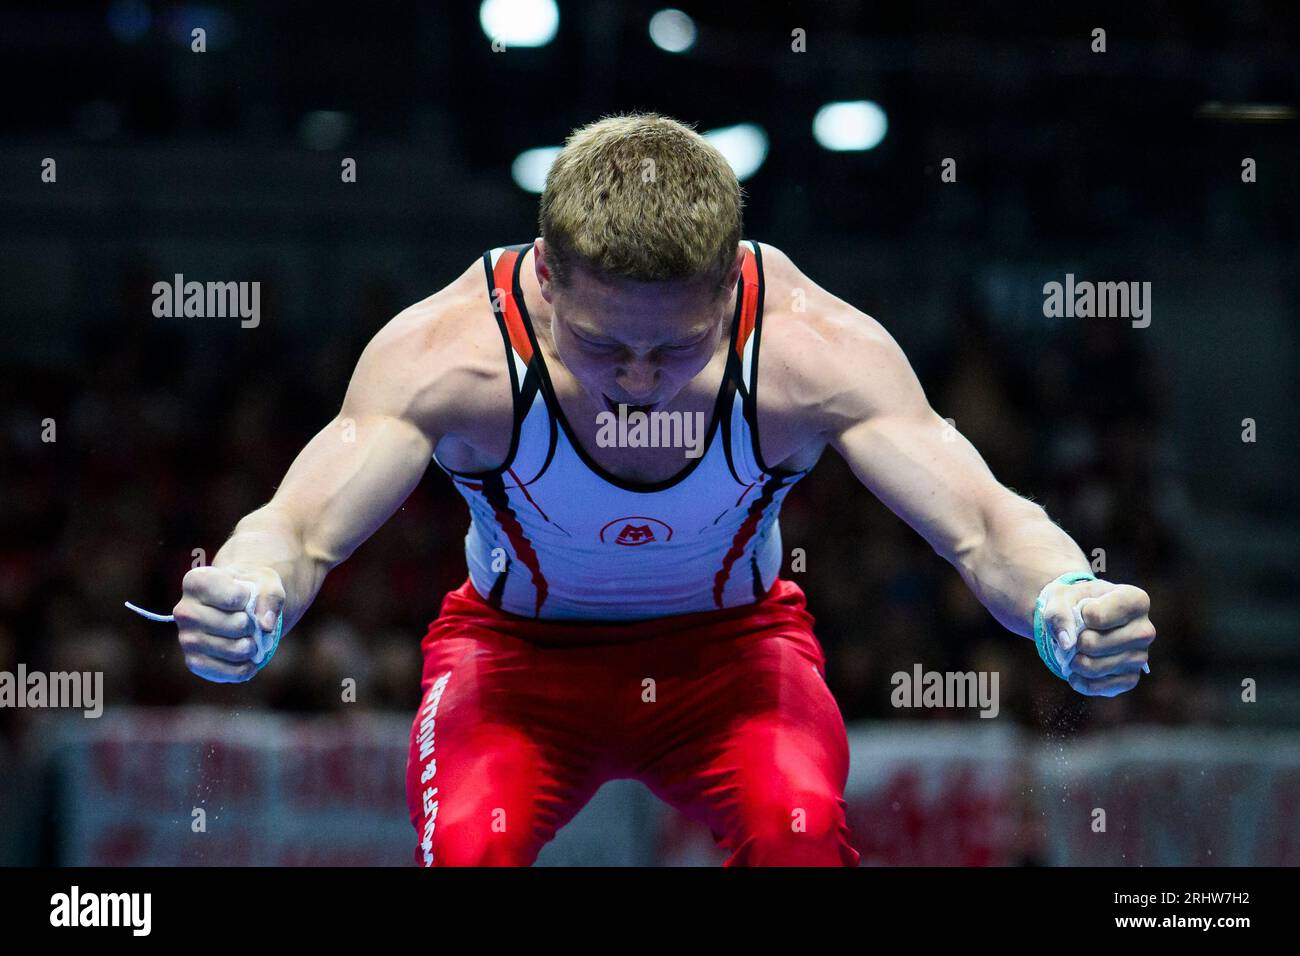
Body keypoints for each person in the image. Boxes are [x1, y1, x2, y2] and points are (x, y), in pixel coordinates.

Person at [169, 113, 1156, 866]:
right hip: (517, 664)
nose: (638, 378)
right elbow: (297, 529)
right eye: (603, 345)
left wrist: (1060, 598)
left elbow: (983, 522)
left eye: (677, 347)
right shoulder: (449, 355)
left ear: (729, 284)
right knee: (472, 842)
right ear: (546, 280)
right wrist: (250, 596)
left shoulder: (813, 349)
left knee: (796, 832)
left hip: (731, 657)